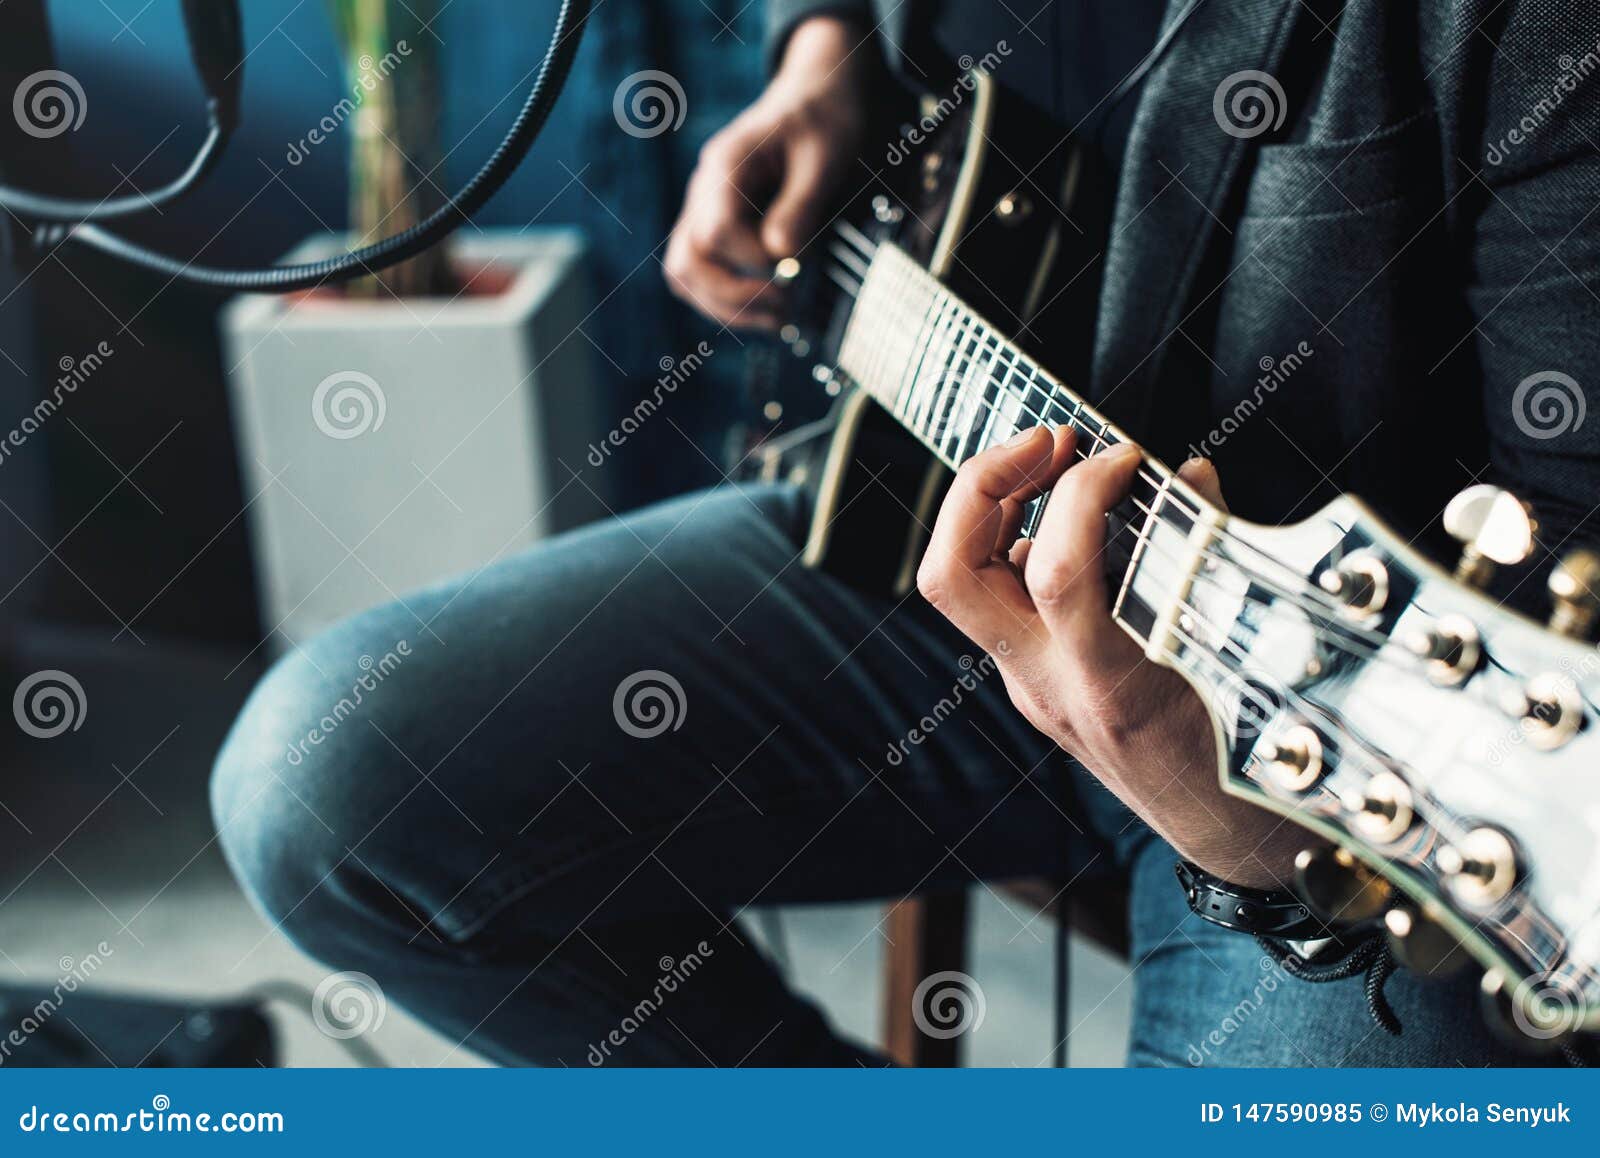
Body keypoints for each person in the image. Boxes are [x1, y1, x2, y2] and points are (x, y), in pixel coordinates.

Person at [212, 1, 1599, 1066]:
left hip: (1328, 761)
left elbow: (1567, 530)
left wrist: (1242, 831)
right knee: (324, 790)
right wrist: (822, 54)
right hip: (929, 558)